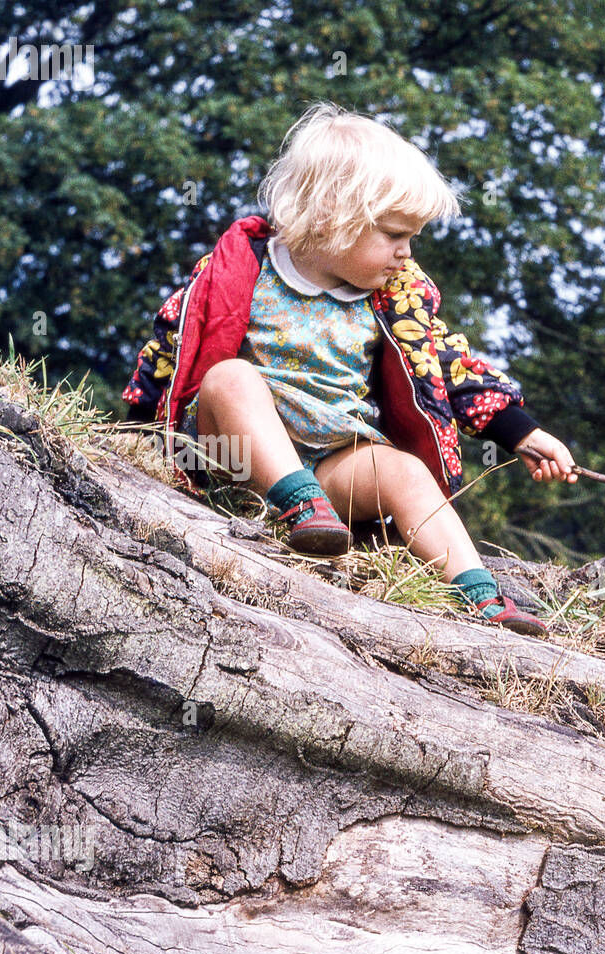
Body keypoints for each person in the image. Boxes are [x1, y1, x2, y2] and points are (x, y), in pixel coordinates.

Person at [123, 102, 577, 636]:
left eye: (412, 238)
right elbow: (173, 342)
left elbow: (451, 368)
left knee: (404, 471)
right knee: (231, 377)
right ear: (332, 217)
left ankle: (481, 597)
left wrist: (520, 433)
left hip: (332, 463)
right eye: (393, 235)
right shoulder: (241, 267)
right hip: (236, 456)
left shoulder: (395, 297)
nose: (406, 253)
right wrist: (136, 435)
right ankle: (294, 501)